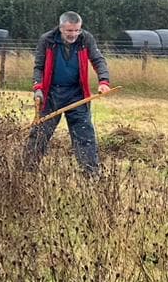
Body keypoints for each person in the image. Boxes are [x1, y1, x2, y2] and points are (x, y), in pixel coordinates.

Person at [26, 10, 113, 177]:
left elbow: (98, 60)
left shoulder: (85, 39)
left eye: (77, 30)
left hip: (77, 94)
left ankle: (91, 174)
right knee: (40, 134)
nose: (73, 34)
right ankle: (26, 171)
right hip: (52, 94)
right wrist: (38, 88)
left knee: (85, 135)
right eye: (69, 31)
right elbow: (38, 67)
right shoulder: (47, 40)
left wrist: (104, 81)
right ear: (61, 28)